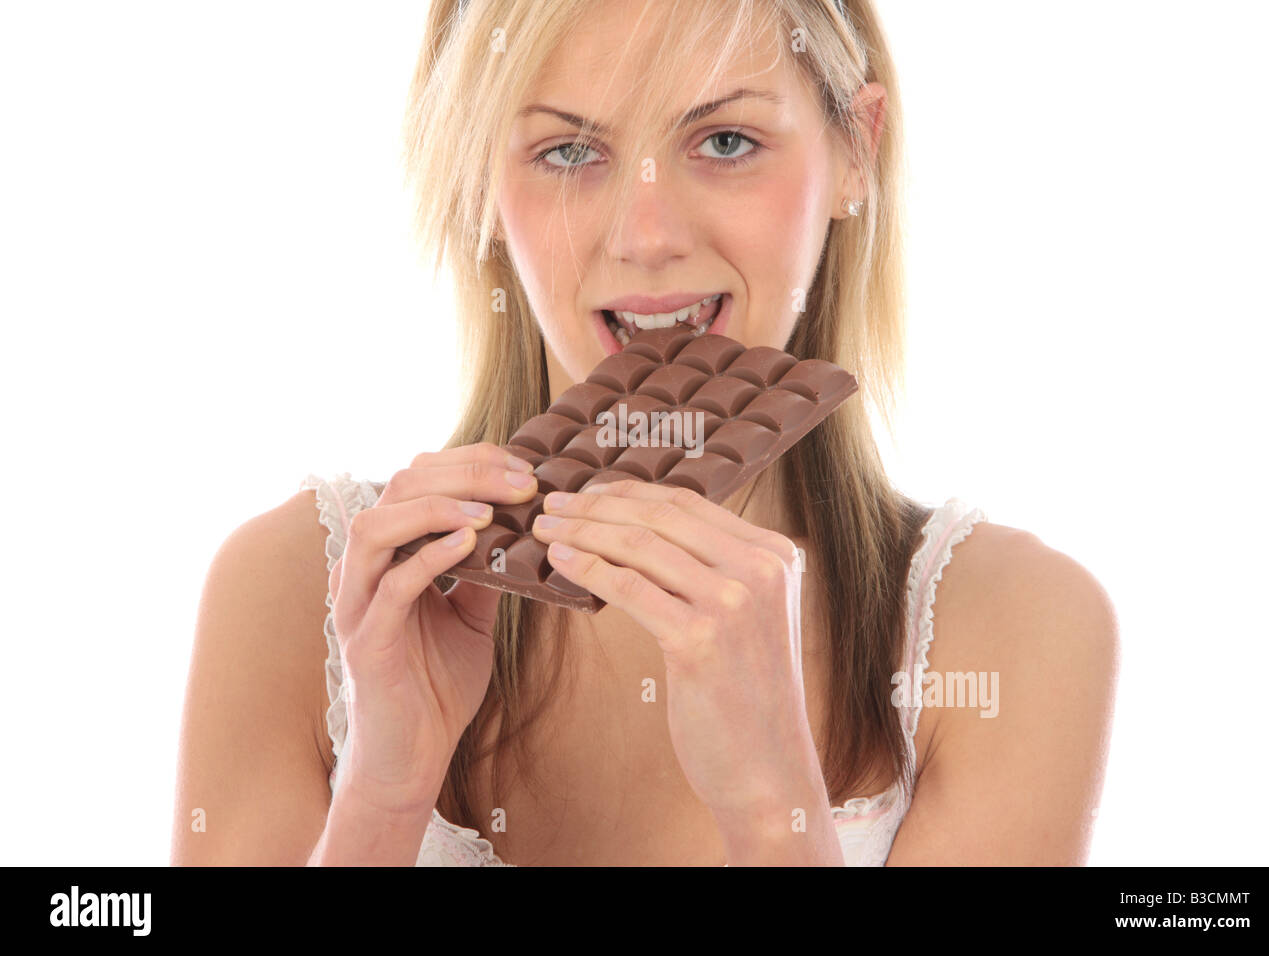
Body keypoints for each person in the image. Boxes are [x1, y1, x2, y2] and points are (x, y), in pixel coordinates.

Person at [171, 0, 1118, 866]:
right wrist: (381, 798)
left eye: (728, 139)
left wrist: (770, 803)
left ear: (856, 152)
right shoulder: (299, 598)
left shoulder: (1016, 632)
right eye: (570, 153)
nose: (647, 233)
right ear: (478, 178)